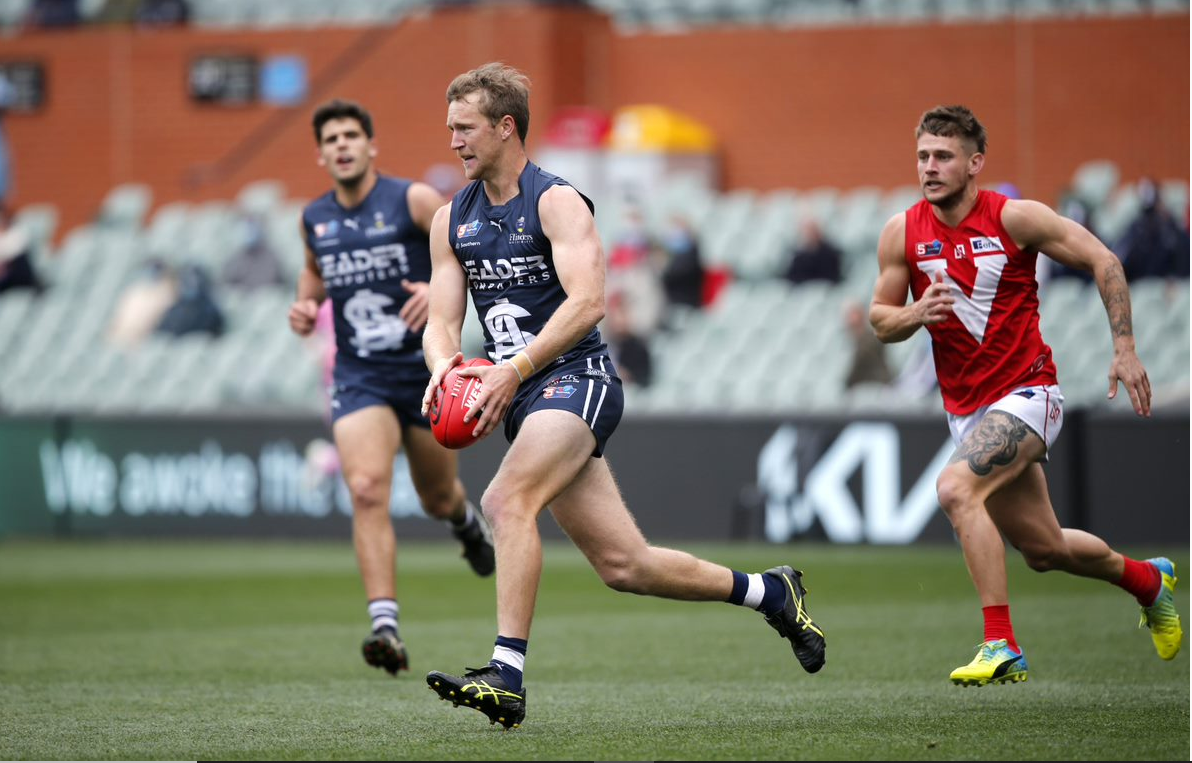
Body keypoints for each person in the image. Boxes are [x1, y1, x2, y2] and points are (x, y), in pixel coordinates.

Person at [419, 63, 825, 730]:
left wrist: (511, 369)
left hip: (578, 380)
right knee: (624, 565)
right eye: (450, 128)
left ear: (505, 127)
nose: (454, 141)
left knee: (502, 499)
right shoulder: (449, 221)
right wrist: (442, 367)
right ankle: (770, 592)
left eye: (465, 129)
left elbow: (588, 304)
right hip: (525, 395)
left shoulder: (555, 201)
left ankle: (507, 674)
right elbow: (440, 320)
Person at [869, 105, 1182, 687]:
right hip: (967, 411)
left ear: (975, 163)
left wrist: (1125, 348)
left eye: (943, 156)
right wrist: (916, 311)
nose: (930, 168)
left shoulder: (1015, 218)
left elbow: (1102, 258)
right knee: (1045, 549)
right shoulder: (902, 232)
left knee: (955, 488)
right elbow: (879, 319)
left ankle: (1000, 643)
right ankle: (1148, 581)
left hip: (1028, 392)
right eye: (922, 156)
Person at [287, 98, 494, 678]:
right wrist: (307, 305)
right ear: (322, 152)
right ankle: (385, 626)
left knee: (436, 498)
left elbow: (469, 250)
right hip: (359, 377)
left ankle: (463, 523)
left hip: (426, 372)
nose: (343, 145)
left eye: (352, 135)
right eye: (332, 139)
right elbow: (313, 271)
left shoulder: (413, 200)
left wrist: (437, 288)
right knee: (367, 487)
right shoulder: (315, 218)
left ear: (371, 145)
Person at [841, 298, 891, 390]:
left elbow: (858, 366)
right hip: (865, 388)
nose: (850, 320)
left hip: (878, 386)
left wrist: (846, 385)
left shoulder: (873, 338)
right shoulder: (855, 340)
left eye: (852, 314)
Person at [783, 219, 843, 285]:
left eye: (810, 231)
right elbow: (792, 277)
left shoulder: (829, 253)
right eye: (805, 231)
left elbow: (831, 277)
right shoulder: (799, 255)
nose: (807, 234)